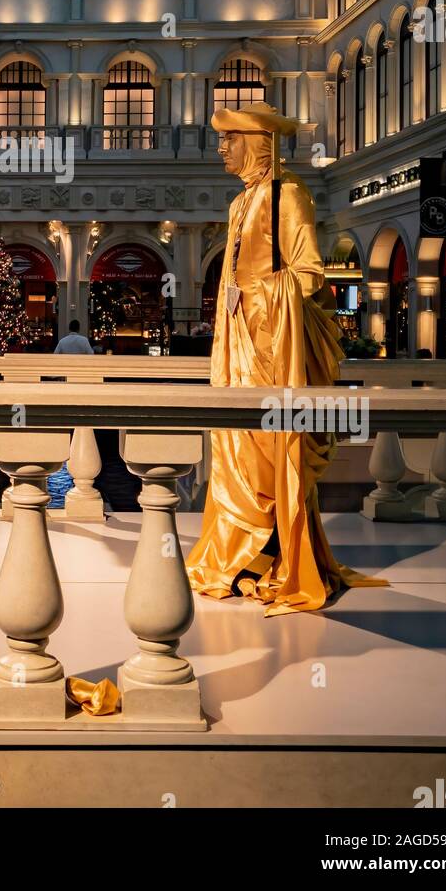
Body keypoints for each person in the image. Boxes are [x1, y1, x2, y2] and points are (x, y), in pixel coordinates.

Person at [186, 101, 385, 616]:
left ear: (255, 142)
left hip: (273, 348)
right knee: (234, 449)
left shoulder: (287, 196)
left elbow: (309, 273)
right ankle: (237, 557)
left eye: (230, 138)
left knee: (270, 449)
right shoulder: (239, 204)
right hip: (236, 350)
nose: (222, 147)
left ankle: (276, 555)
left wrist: (256, 296)